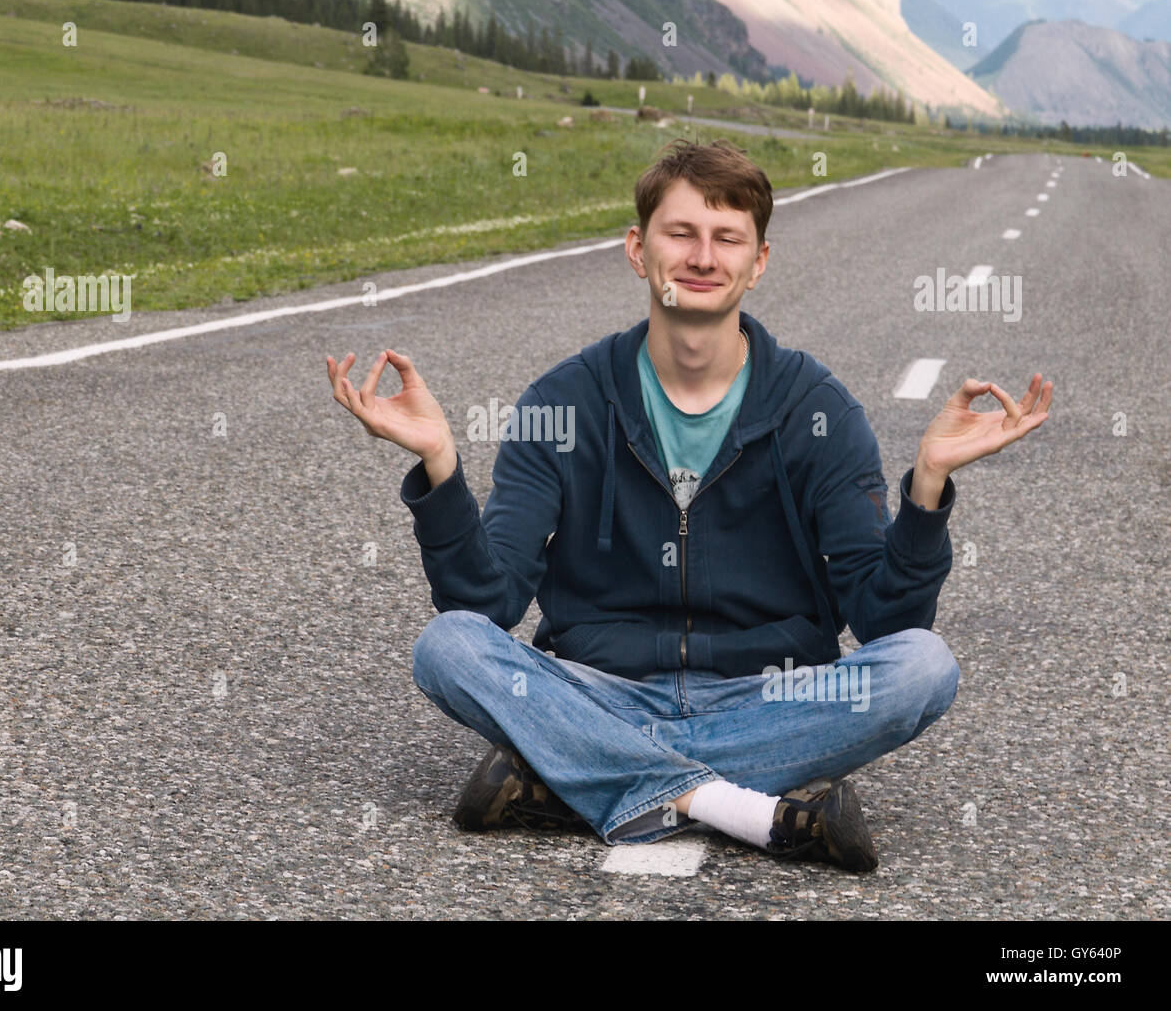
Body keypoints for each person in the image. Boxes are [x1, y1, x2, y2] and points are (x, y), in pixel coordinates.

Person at [326, 137, 1052, 872]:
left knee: (924, 667)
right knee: (446, 647)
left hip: (768, 696)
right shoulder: (563, 401)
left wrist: (928, 481)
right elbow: (486, 603)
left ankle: (569, 778)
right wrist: (440, 467)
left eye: (727, 237)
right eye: (681, 233)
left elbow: (885, 622)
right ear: (639, 250)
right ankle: (738, 805)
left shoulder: (819, 411)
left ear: (758, 261)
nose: (703, 257)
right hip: (600, 688)